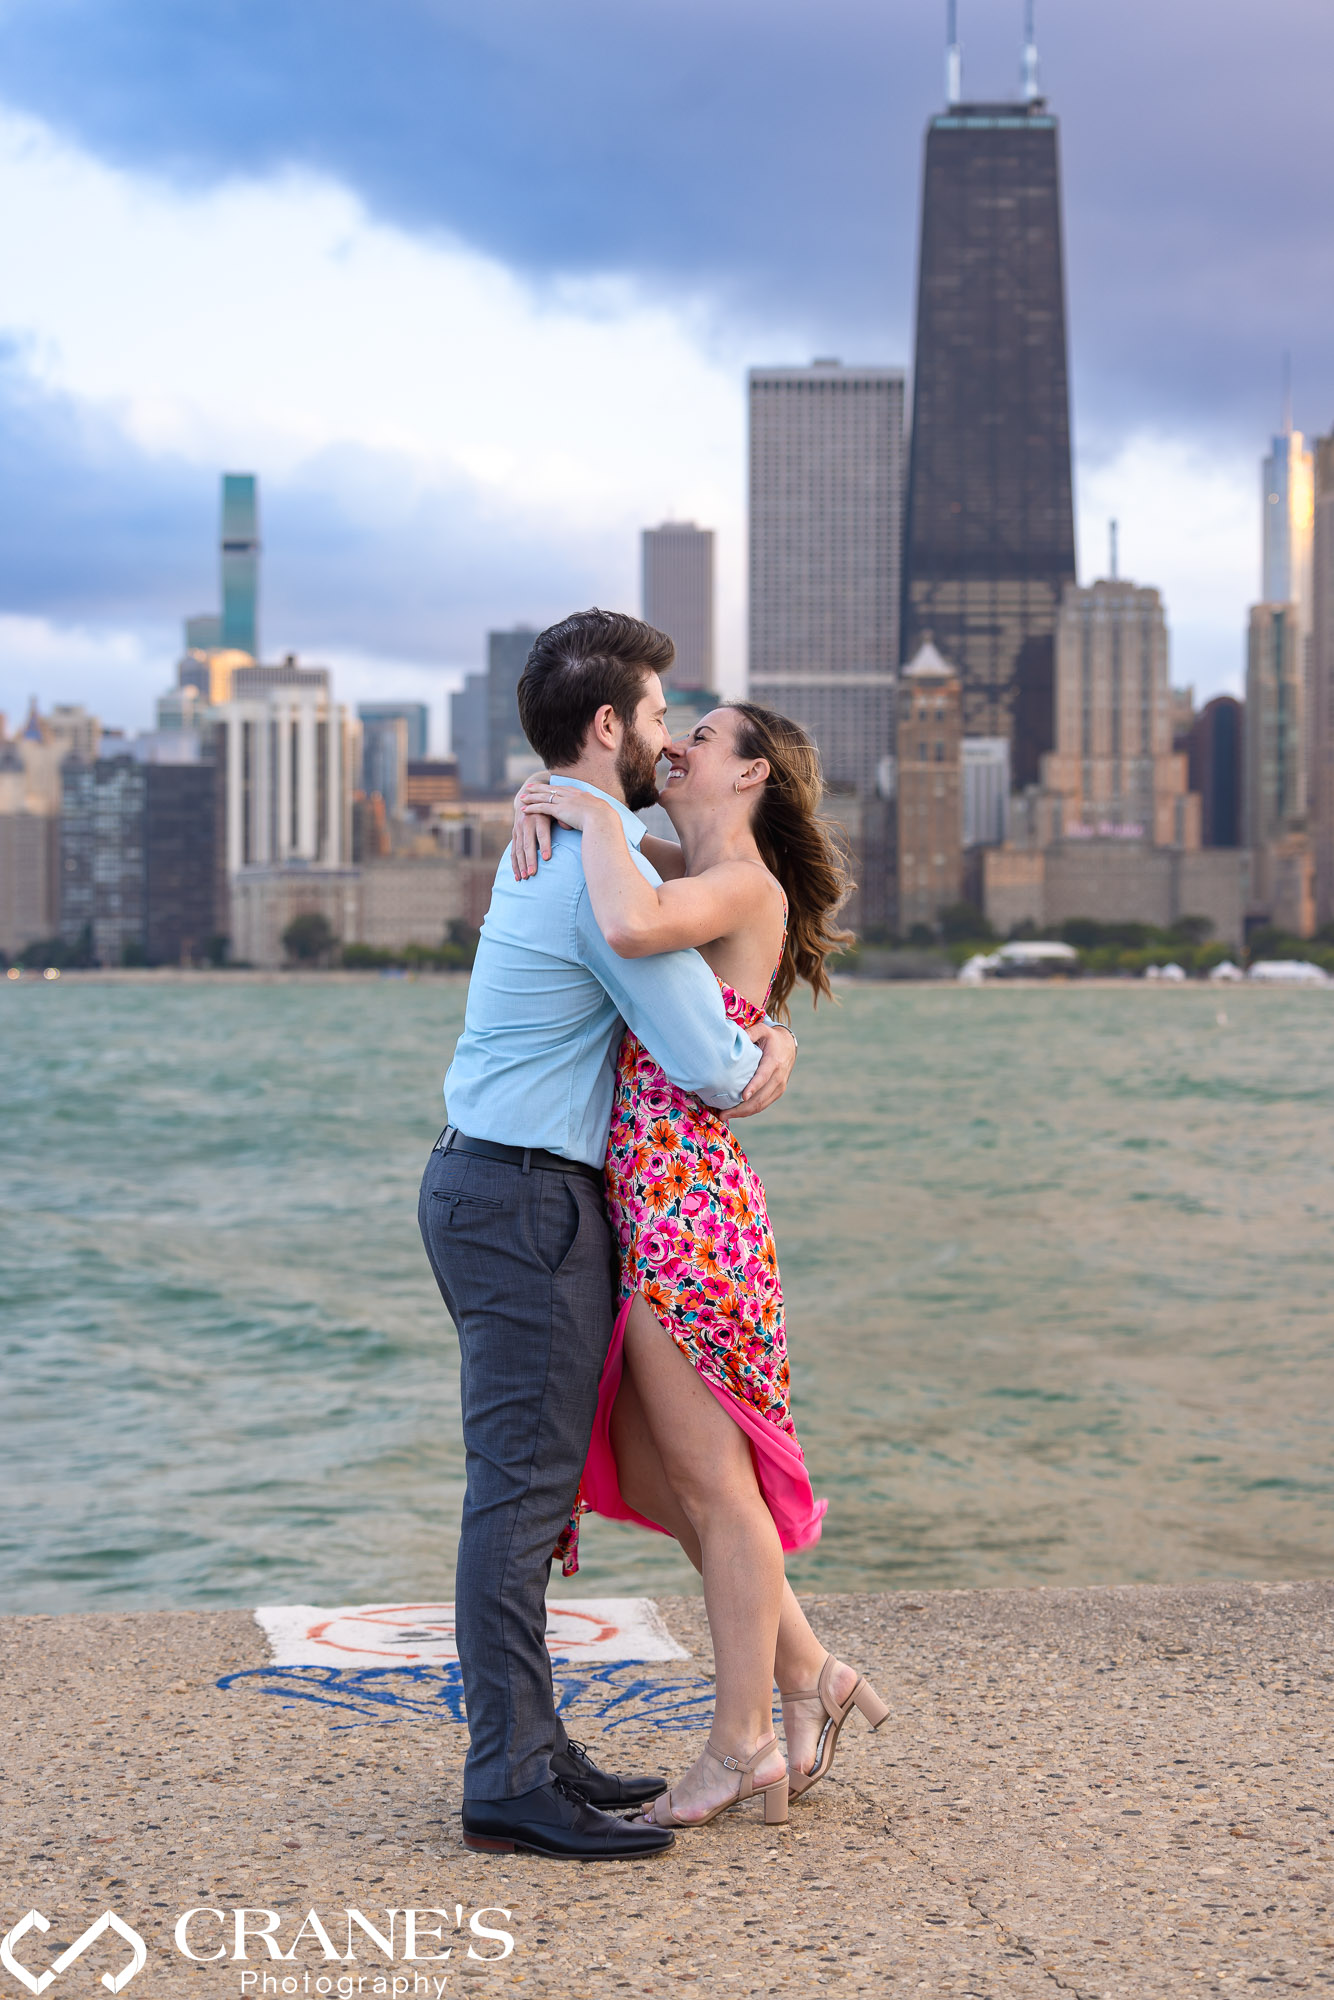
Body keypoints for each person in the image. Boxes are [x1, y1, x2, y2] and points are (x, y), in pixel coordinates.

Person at [417, 610, 798, 1862]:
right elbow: (704, 1055)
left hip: (508, 1185)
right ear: (606, 726)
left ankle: (536, 1746)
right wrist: (768, 1050)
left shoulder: (571, 839)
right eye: (652, 714)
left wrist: (569, 806)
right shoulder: (594, 866)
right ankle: (510, 1777)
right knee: (516, 1500)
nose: (661, 733)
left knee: (527, 1490)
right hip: (523, 1194)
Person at [514, 699, 890, 1830]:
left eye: (701, 737)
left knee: (718, 1494)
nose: (672, 746)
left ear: (751, 775)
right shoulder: (693, 865)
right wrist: (548, 795)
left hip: (689, 1219)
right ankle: (811, 1668)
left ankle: (738, 1744)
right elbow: (620, 861)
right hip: (660, 1213)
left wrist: (577, 800)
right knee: (672, 1477)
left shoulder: (740, 888)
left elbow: (627, 922)